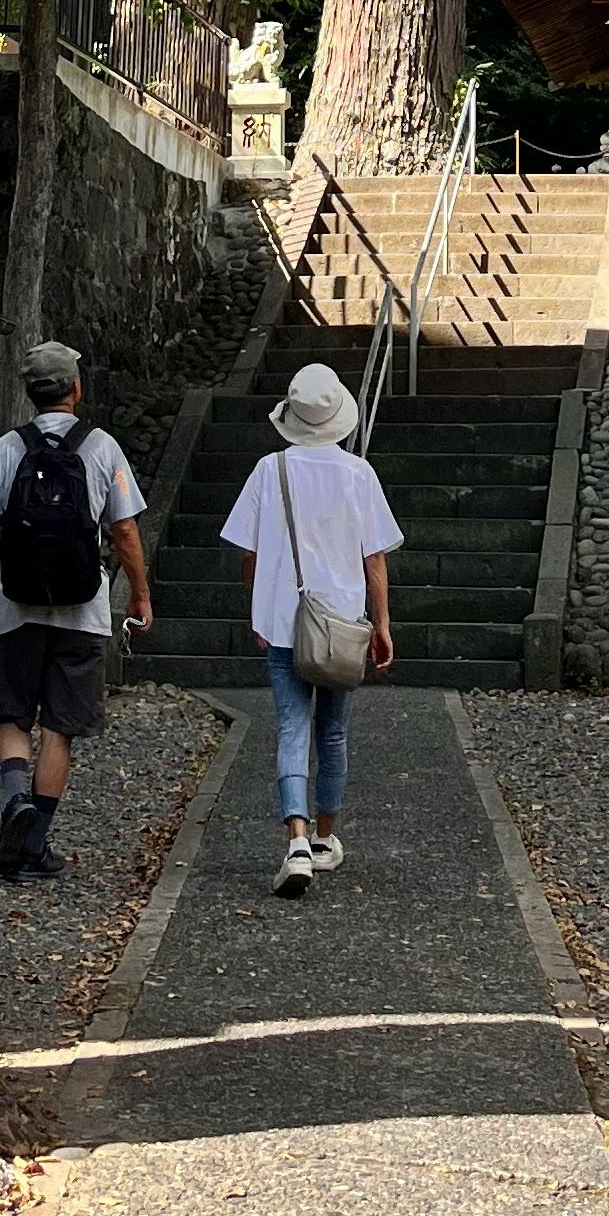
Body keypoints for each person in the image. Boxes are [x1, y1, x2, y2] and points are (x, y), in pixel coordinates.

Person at [0, 339, 151, 880]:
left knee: (13, 714)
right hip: (82, 610)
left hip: (17, 609)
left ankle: (14, 802)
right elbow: (126, 530)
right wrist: (139, 593)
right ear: (76, 388)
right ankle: (35, 840)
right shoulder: (101, 448)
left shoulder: (6, 450)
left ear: (30, 393)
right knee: (59, 730)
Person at [220, 361, 400, 897]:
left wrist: (260, 609)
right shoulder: (359, 474)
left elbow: (248, 554)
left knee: (292, 728)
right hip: (343, 625)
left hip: (282, 622)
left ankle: (294, 840)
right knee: (334, 732)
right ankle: (324, 840)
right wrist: (383, 625)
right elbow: (375, 561)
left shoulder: (268, 470)